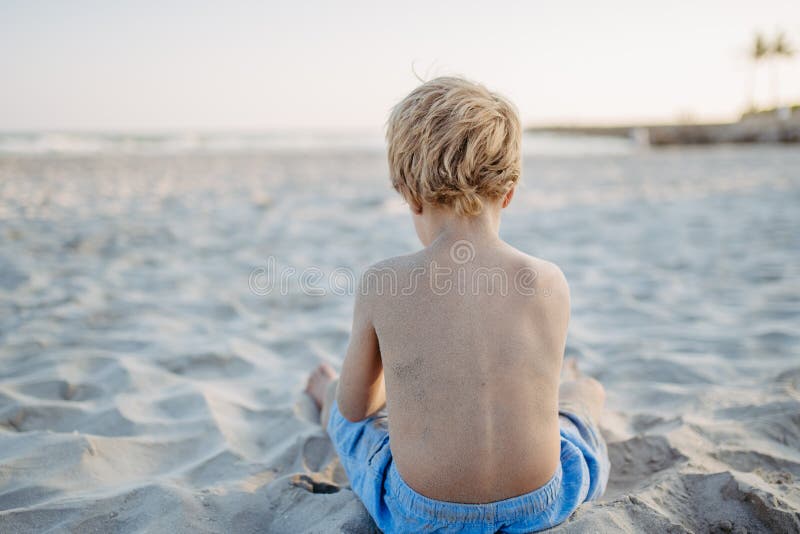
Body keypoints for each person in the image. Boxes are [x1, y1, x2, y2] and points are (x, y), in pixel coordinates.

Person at [305, 76, 609, 533]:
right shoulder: (549, 281)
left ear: (409, 196)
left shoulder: (384, 282)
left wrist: (382, 381)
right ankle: (585, 391)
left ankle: (317, 387)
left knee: (344, 419)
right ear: (509, 192)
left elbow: (357, 407)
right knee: (575, 415)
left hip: (423, 515)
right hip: (540, 505)